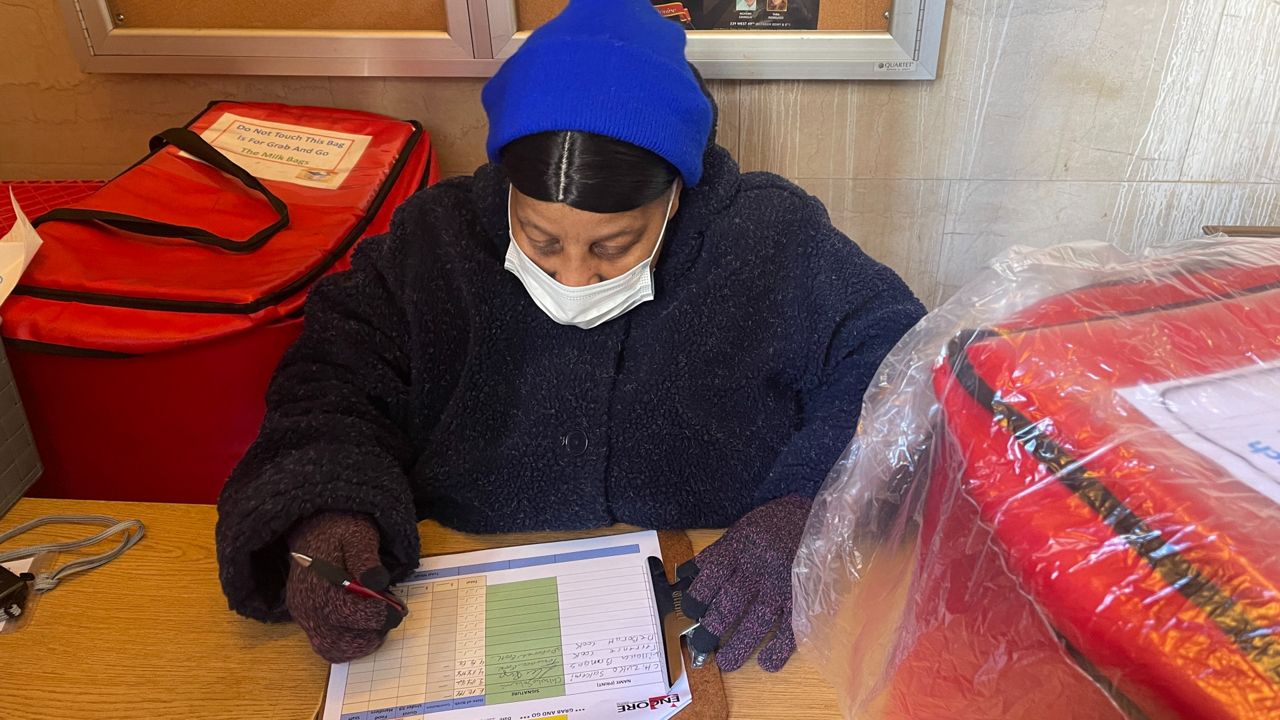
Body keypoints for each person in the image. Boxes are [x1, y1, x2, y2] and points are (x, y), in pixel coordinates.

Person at [215, 0, 924, 674]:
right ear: (508, 187)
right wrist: (327, 508)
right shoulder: (435, 241)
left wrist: (807, 508)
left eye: (615, 246)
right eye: (541, 239)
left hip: (715, 593)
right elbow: (331, 381)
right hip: (457, 586)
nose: (577, 279)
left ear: (677, 193)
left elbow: (896, 361)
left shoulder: (767, 239)